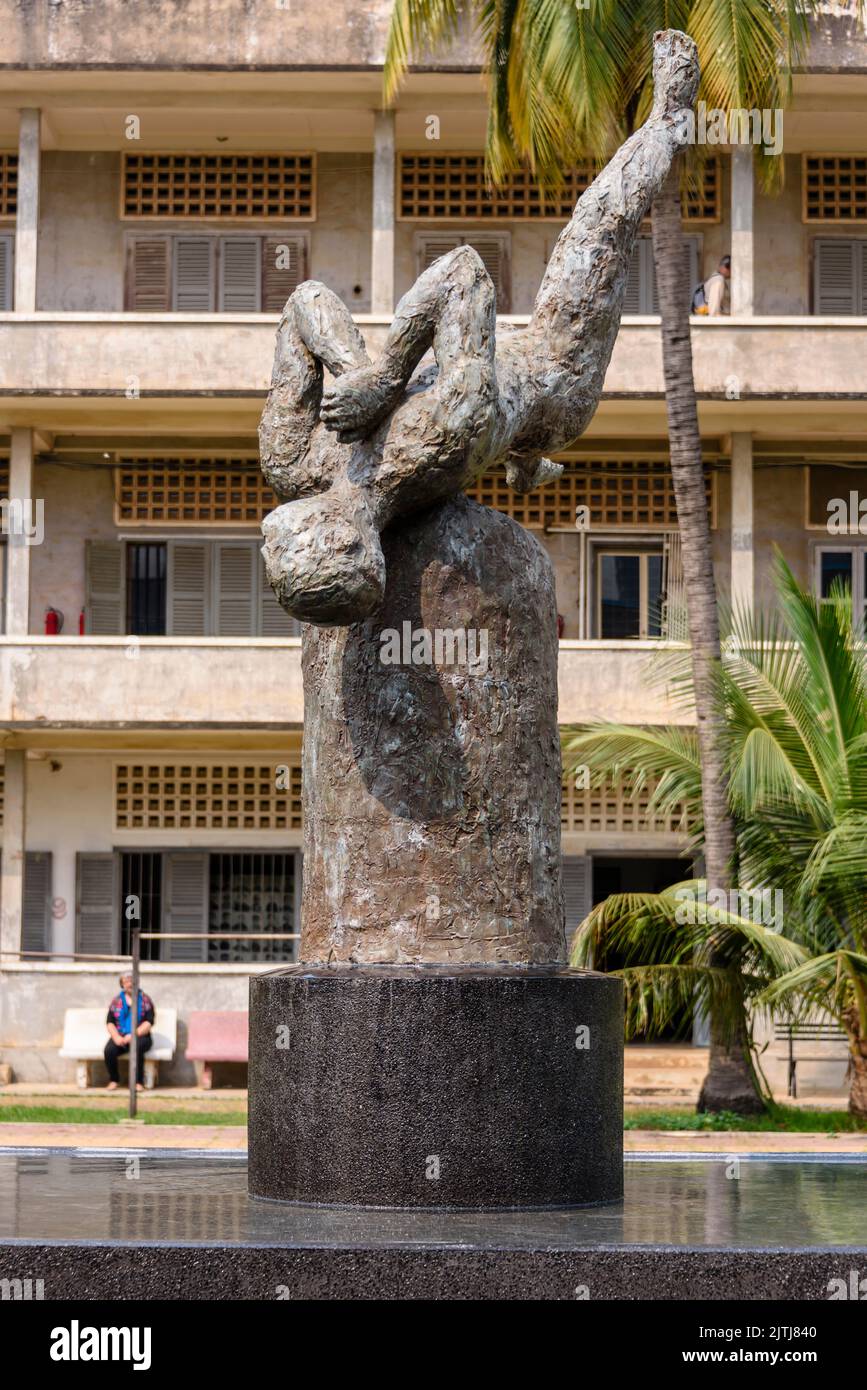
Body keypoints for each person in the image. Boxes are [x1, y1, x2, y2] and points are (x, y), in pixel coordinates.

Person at [104, 974, 154, 1091]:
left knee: (136, 1048)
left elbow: (149, 1022)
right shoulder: (116, 1001)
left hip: (141, 1036)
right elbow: (110, 1022)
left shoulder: (145, 1000)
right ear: (122, 984)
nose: (129, 984)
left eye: (132, 981)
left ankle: (138, 1082)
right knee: (109, 1050)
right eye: (126, 982)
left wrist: (133, 1035)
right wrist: (116, 1037)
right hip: (120, 1035)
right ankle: (114, 1080)